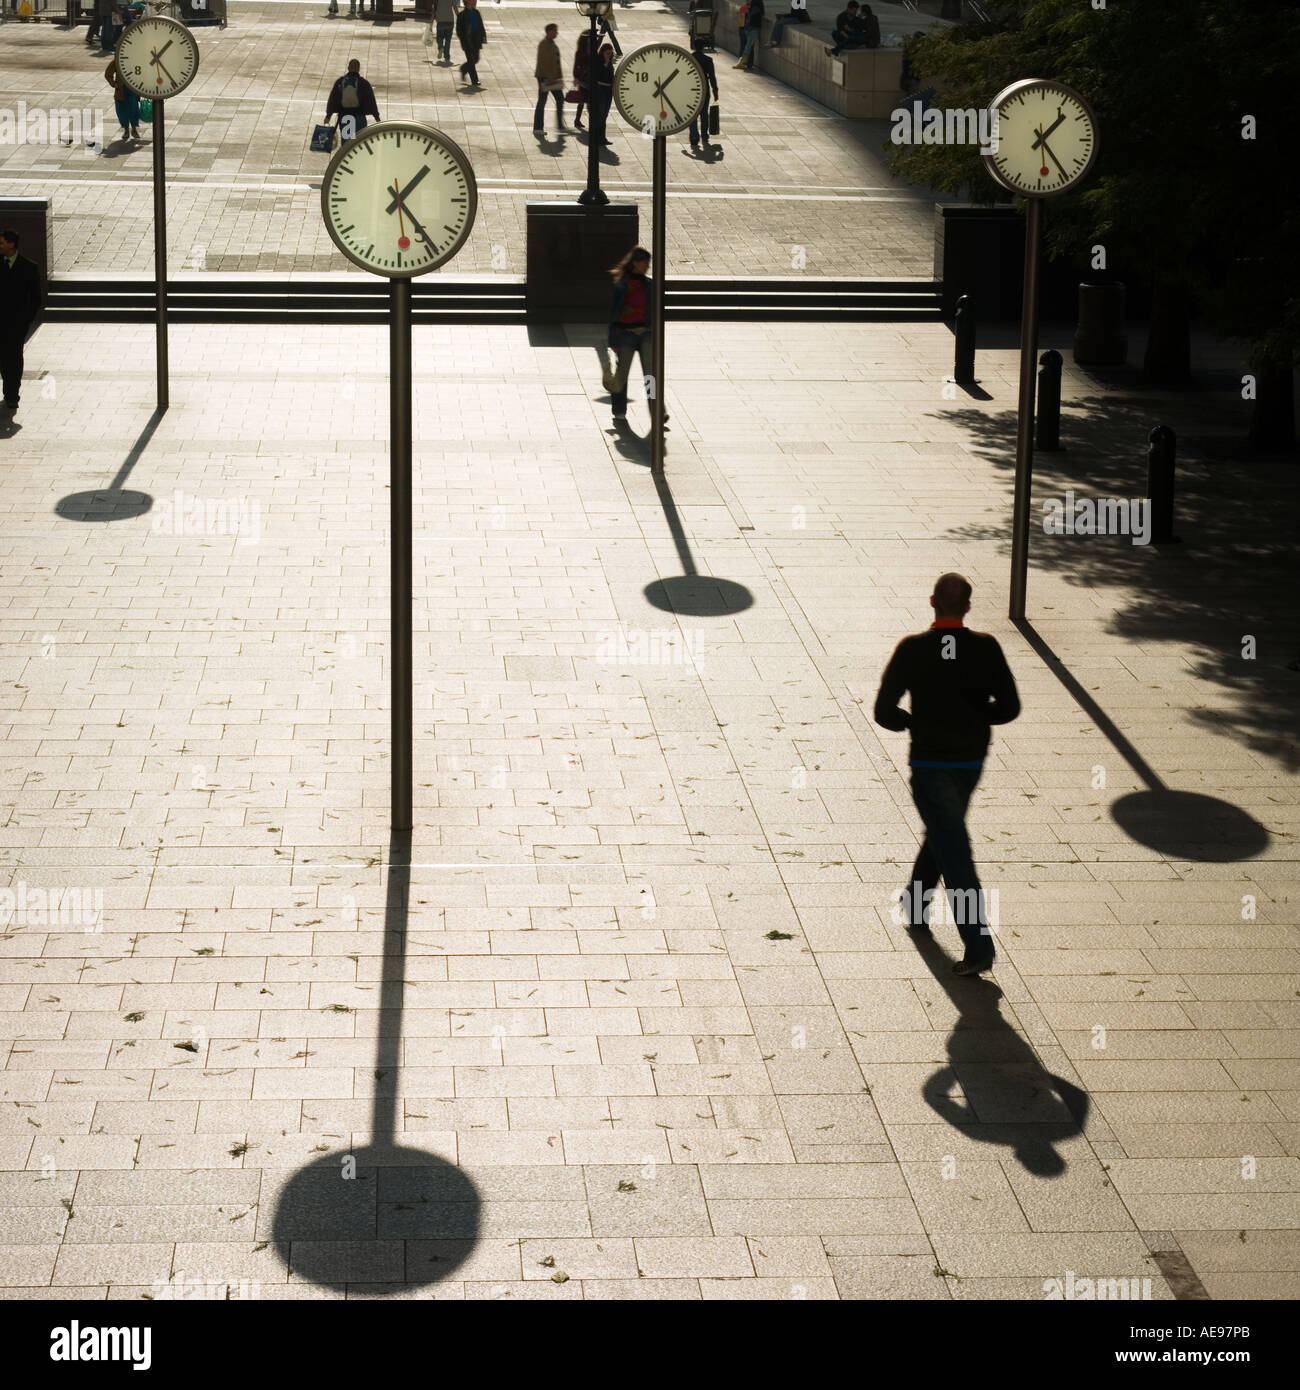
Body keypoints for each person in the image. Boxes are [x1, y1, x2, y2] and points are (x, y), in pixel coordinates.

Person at [873, 574, 1020, 976]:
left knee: (953, 849)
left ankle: (978, 948)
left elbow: (884, 710)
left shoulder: (912, 649)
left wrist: (910, 722)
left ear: (932, 601)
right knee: (946, 831)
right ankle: (915, 905)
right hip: (970, 761)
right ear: (968, 607)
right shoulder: (987, 648)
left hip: (929, 762)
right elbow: (1009, 707)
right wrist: (976, 718)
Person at [607, 247, 654, 421]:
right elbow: (614, 314)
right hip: (626, 334)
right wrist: (613, 340)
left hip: (646, 333)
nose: (647, 266)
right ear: (635, 263)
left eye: (648, 262)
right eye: (645, 262)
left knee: (651, 375)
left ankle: (656, 410)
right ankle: (619, 409)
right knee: (622, 375)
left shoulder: (650, 285)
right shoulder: (622, 286)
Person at [0, 230, 41, 415]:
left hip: (16, 325)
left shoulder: (28, 267)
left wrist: (25, 321)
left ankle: (12, 396)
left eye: (1, 243)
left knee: (13, 360)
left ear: (11, 244)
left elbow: (35, 298)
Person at [326, 60, 380, 141]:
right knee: (358, 142)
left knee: (346, 144)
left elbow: (333, 99)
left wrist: (328, 116)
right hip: (359, 117)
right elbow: (371, 101)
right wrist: (377, 117)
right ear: (358, 69)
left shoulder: (340, 82)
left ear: (348, 68)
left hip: (345, 117)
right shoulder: (363, 83)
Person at [534, 23, 566, 134]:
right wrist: (551, 77)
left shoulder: (551, 43)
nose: (557, 33)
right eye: (555, 31)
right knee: (542, 101)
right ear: (549, 31)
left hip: (552, 78)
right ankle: (538, 127)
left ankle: (560, 125)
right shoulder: (544, 44)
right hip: (546, 78)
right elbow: (544, 63)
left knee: (559, 99)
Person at [687, 37, 718, 151]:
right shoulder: (708, 60)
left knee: (693, 113)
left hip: (691, 90)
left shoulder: (689, 58)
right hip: (705, 89)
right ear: (703, 47)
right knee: (704, 113)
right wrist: (715, 91)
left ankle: (694, 136)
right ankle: (704, 135)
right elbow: (712, 77)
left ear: (694, 46)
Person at [105, 52, 141, 141]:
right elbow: (108, 74)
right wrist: (114, 84)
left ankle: (133, 129)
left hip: (132, 90)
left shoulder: (135, 61)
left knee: (133, 109)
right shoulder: (116, 62)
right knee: (121, 111)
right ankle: (126, 130)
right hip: (121, 91)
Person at [456, 0, 487, 87]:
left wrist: (483, 36)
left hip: (476, 40)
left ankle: (463, 68)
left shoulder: (476, 12)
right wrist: (463, 40)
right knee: (471, 61)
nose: (475, 1)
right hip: (468, 41)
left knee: (476, 59)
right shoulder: (462, 15)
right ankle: (475, 80)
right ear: (467, 2)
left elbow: (481, 25)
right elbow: (459, 30)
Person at [592, 42, 615, 147]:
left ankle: (602, 137)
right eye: (607, 53)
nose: (609, 55)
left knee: (605, 114)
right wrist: (605, 63)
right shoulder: (598, 62)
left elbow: (611, 75)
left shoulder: (610, 63)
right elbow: (598, 74)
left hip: (608, 89)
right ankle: (597, 137)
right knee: (600, 114)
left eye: (610, 54)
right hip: (600, 89)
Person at [734, 0, 763, 71]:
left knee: (748, 46)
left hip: (751, 29)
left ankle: (743, 62)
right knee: (747, 46)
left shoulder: (754, 8)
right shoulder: (748, 8)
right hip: (748, 29)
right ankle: (745, 63)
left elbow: (751, 19)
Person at [572, 31, 591, 131]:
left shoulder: (591, 49)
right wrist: (576, 77)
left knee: (583, 100)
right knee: (585, 100)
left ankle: (577, 120)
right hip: (583, 79)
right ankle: (579, 120)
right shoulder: (580, 52)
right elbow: (576, 65)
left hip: (589, 78)